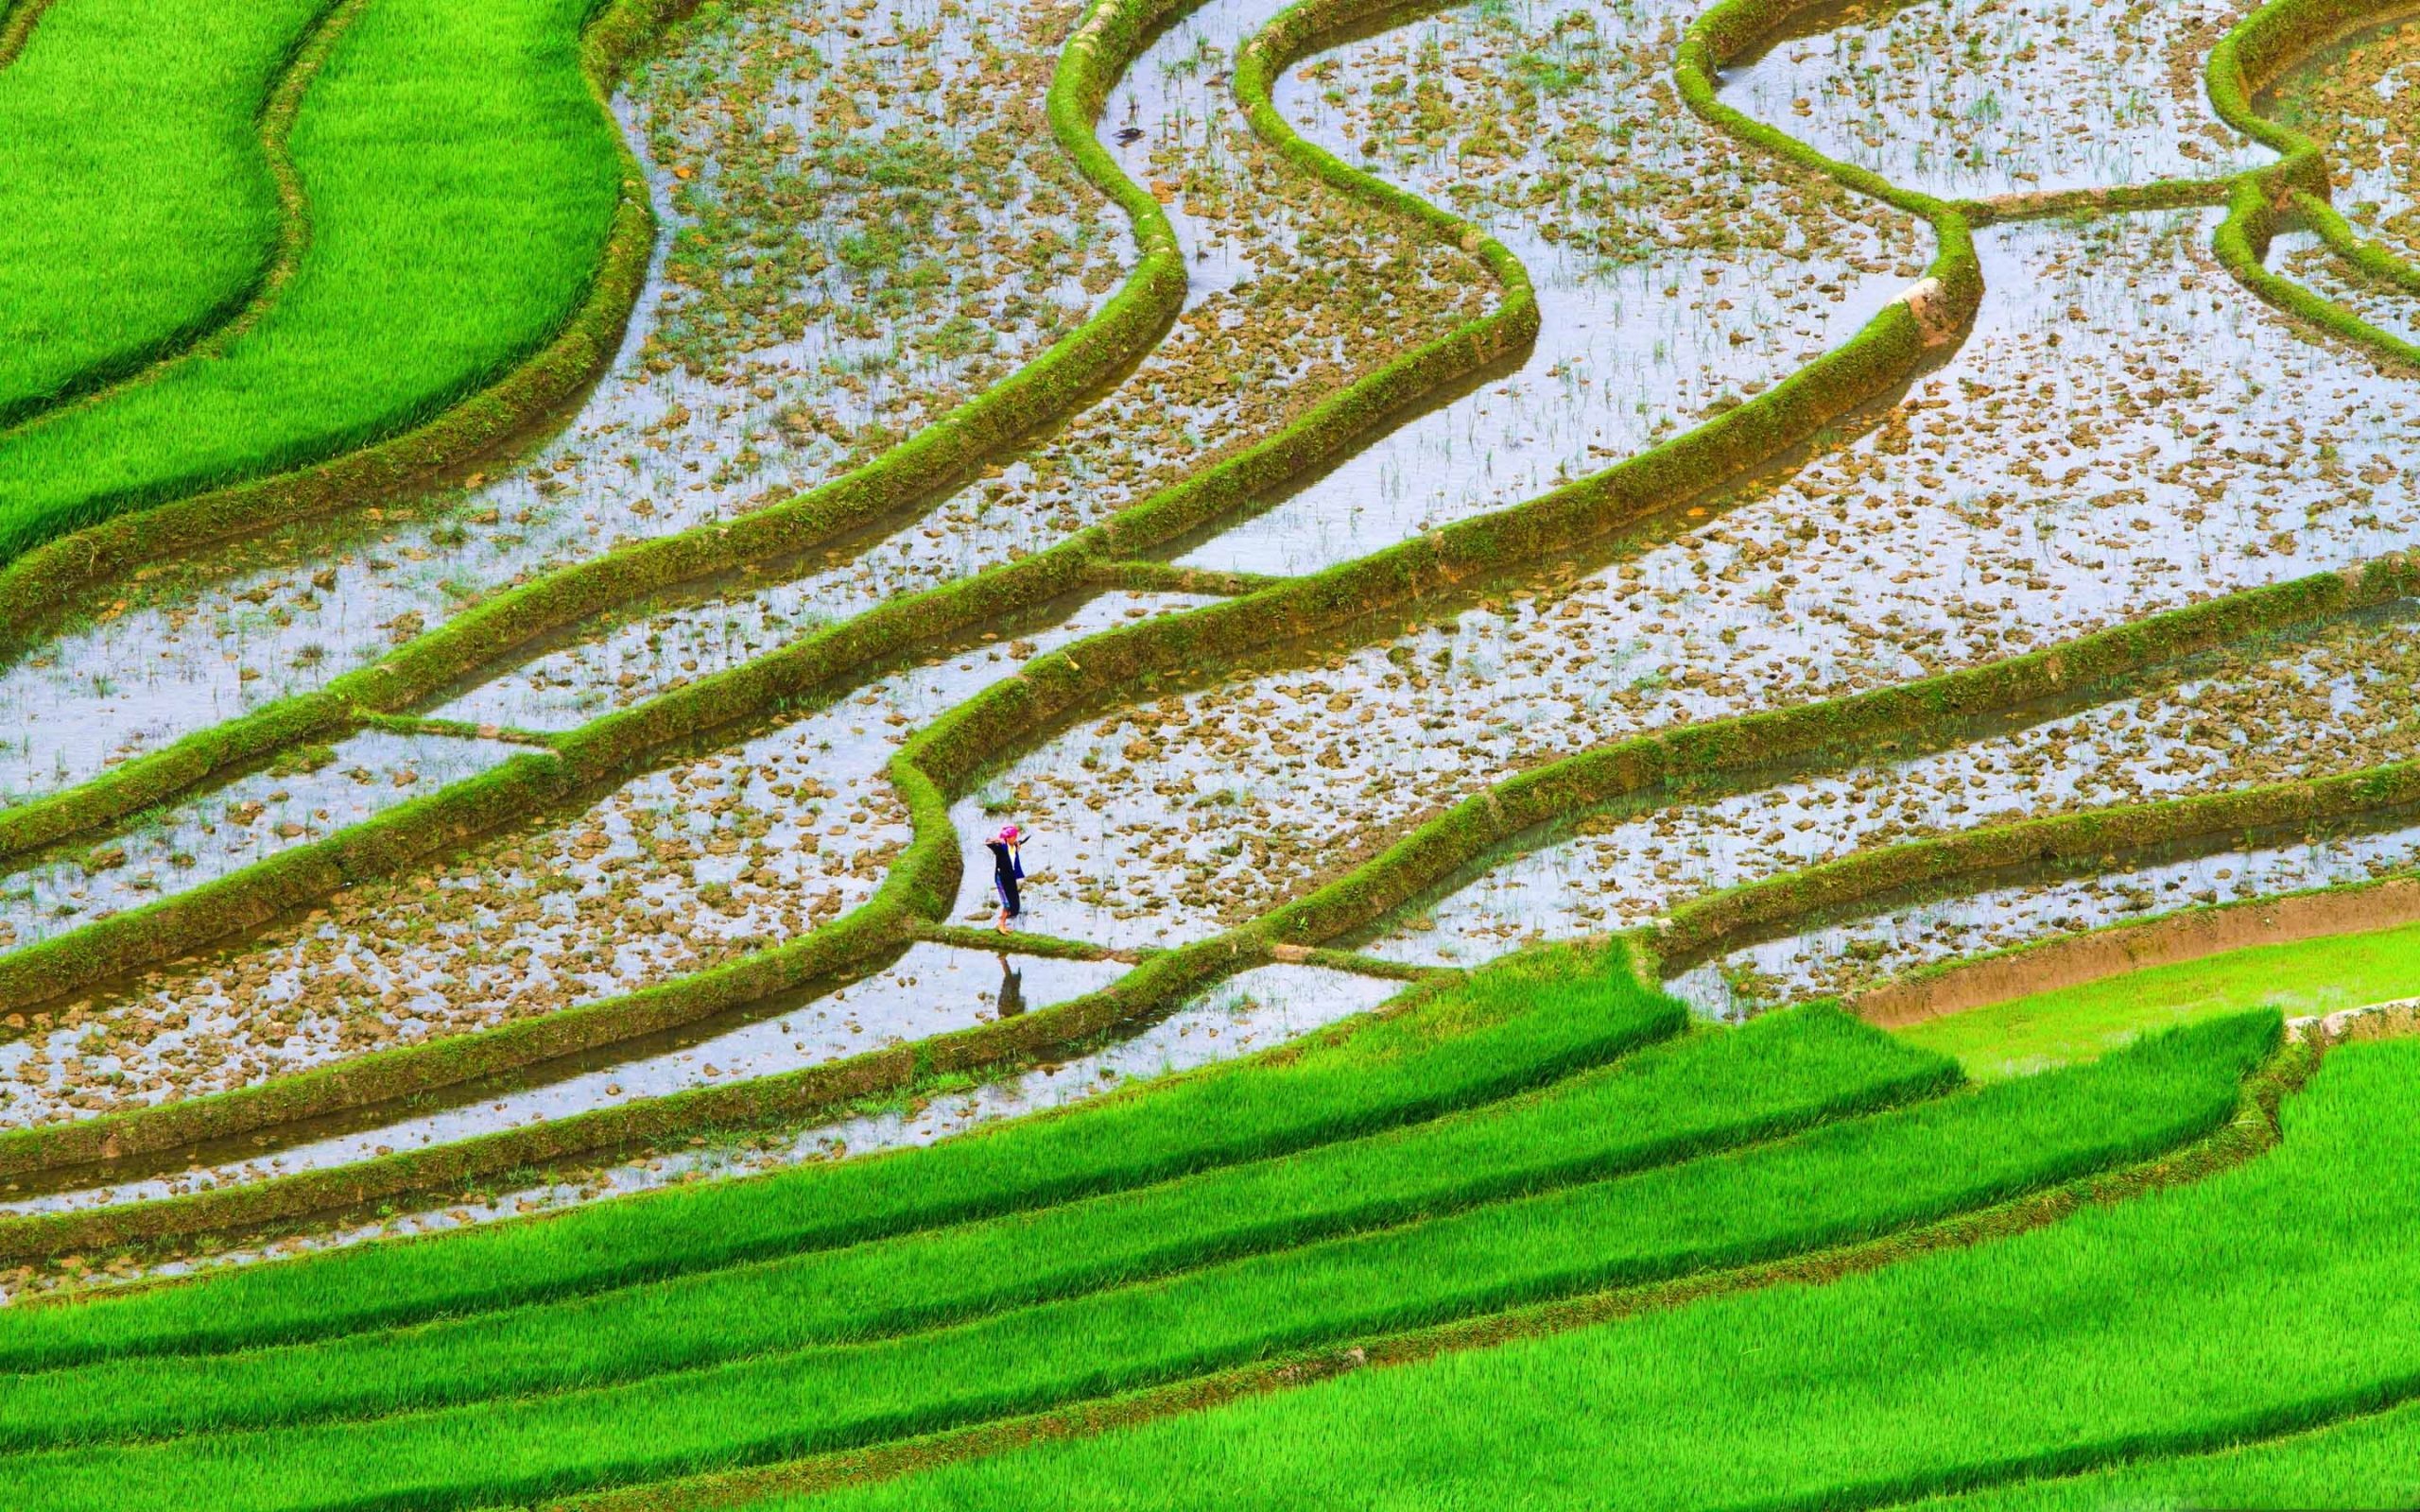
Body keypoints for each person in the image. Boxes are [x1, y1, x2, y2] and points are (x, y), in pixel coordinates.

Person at [985, 823, 1027, 935]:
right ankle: (1001, 924)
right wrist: (998, 840)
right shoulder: (1001, 847)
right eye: (1013, 837)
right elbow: (987, 842)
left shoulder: (1014, 846)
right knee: (1007, 903)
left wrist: (1017, 846)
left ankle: (1002, 923)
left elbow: (1013, 858)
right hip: (1002, 878)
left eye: (1016, 837)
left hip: (1011, 877)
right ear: (1007, 837)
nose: (1015, 839)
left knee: (1014, 904)